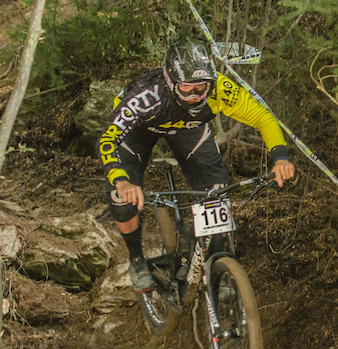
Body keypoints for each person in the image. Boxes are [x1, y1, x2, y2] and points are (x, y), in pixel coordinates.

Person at [97, 37, 295, 291]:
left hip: (188, 128)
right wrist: (122, 181)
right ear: (171, 84)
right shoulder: (146, 96)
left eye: (202, 87)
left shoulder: (220, 89)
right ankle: (136, 260)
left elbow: (262, 116)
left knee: (216, 192)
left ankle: (213, 264)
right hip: (137, 131)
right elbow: (108, 139)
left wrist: (280, 157)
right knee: (121, 197)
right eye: (188, 88)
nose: (196, 95)